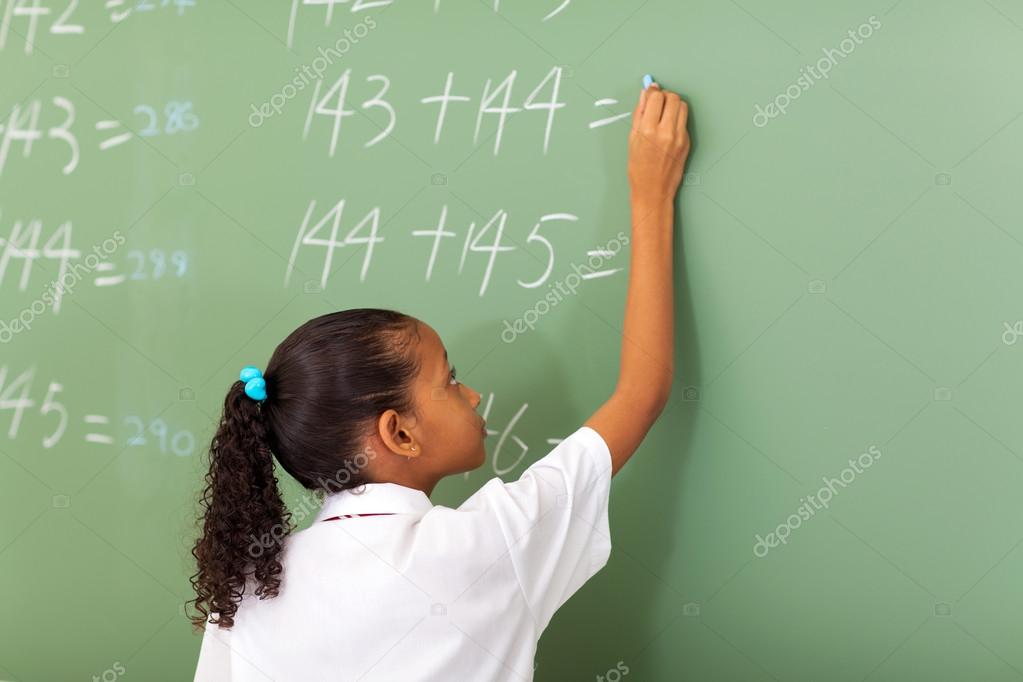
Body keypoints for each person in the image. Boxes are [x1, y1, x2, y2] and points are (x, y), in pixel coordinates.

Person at [190, 79, 689, 681]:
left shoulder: (247, 591)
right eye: (449, 380)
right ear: (398, 432)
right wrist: (650, 194)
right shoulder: (486, 547)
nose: (472, 393)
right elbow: (642, 392)